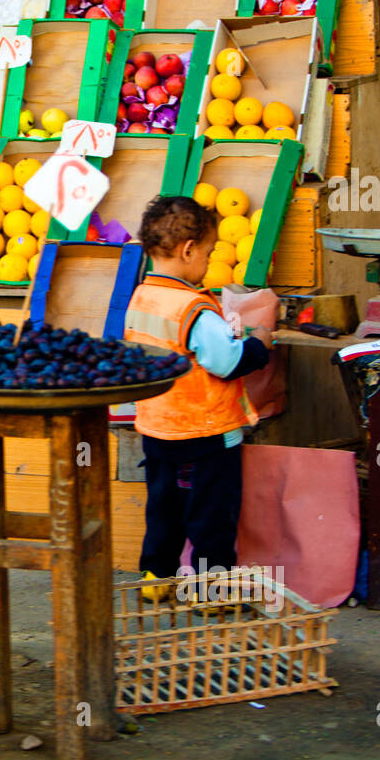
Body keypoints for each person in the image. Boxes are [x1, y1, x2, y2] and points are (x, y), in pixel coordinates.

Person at [123, 195, 271, 600]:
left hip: (158, 431)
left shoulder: (140, 298)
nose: (208, 262)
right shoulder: (194, 308)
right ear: (189, 250)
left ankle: (156, 579)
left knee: (164, 511)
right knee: (211, 516)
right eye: (207, 253)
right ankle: (213, 591)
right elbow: (226, 362)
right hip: (208, 435)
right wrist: (259, 344)